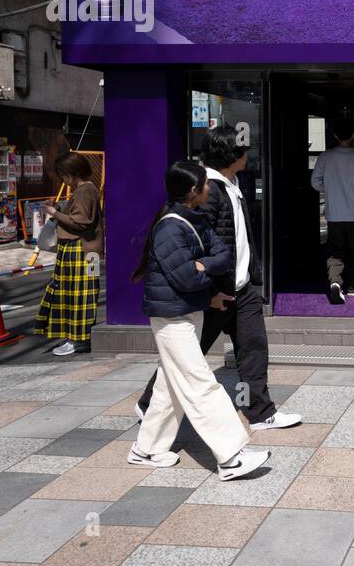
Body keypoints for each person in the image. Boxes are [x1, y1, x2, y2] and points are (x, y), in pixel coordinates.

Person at [136, 126, 301, 431]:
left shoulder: (231, 182)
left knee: (253, 347)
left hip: (242, 287)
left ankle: (261, 412)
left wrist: (252, 276)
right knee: (188, 353)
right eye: (243, 150)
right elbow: (196, 248)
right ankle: (148, 404)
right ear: (231, 155)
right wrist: (210, 291)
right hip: (217, 291)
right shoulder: (207, 191)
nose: (248, 154)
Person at [130, 159, 270, 480]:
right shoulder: (170, 227)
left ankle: (146, 449)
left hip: (188, 312)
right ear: (194, 190)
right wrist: (203, 272)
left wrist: (202, 269)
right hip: (171, 319)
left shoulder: (193, 220)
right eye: (206, 184)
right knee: (201, 384)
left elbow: (223, 257)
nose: (210, 188)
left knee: (169, 387)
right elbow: (186, 279)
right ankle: (231, 456)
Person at [35, 152, 104, 357]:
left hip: (79, 250)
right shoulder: (87, 189)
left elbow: (80, 221)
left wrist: (54, 213)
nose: (63, 180)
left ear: (72, 174)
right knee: (83, 296)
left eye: (64, 175)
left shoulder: (84, 191)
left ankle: (78, 340)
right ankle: (78, 338)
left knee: (77, 297)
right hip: (89, 250)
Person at [311, 117, 354, 304]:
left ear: (334, 135)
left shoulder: (325, 157)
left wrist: (330, 187)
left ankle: (335, 282)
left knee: (334, 250)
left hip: (334, 213)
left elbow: (315, 183)